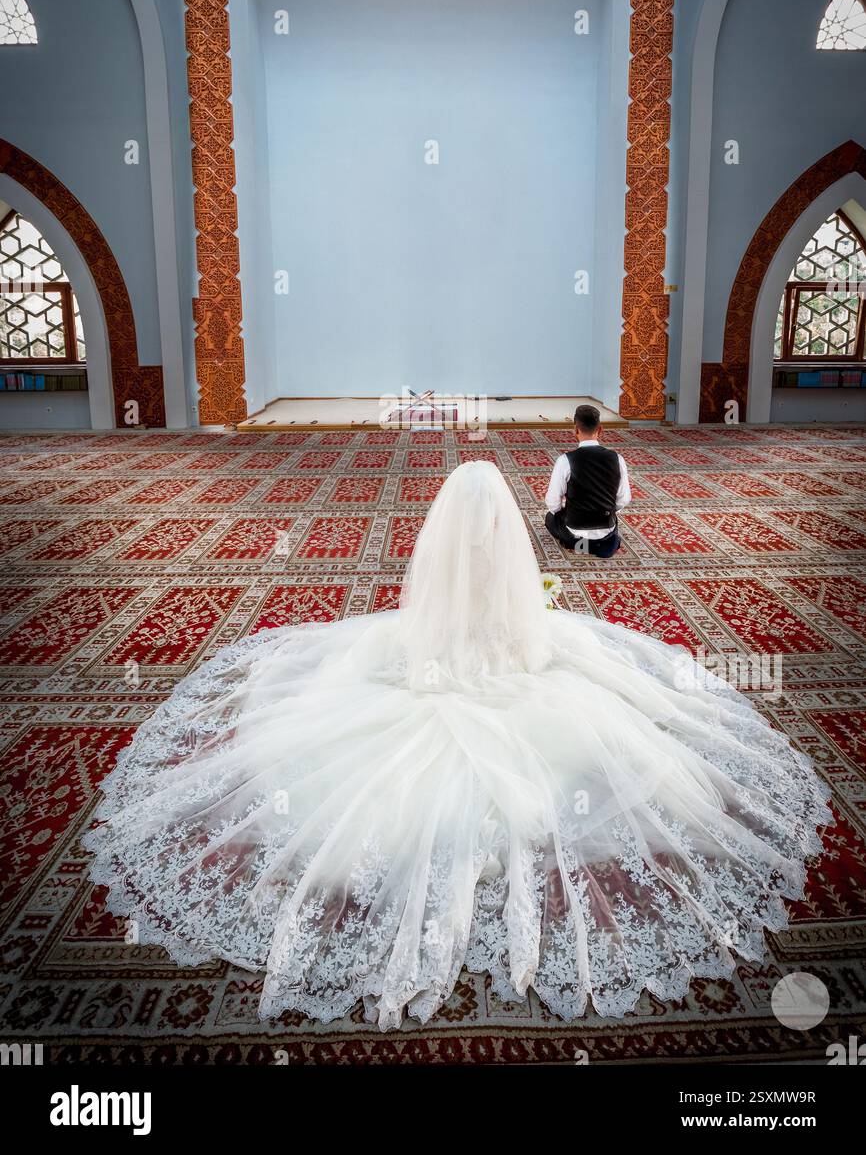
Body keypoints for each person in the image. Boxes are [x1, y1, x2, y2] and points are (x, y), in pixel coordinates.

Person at [84, 461, 830, 1031]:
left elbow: (422, 642)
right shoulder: (512, 563)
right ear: (504, 519)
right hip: (506, 682)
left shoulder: (437, 563)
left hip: (437, 674)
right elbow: (529, 655)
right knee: (609, 758)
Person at [544, 403, 630, 556]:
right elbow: (624, 499)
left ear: (575, 430)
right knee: (609, 528)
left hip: (574, 528)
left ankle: (582, 545)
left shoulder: (565, 460)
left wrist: (564, 512)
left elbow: (552, 503)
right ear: (600, 430)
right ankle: (601, 544)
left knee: (550, 518)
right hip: (605, 528)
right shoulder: (617, 459)